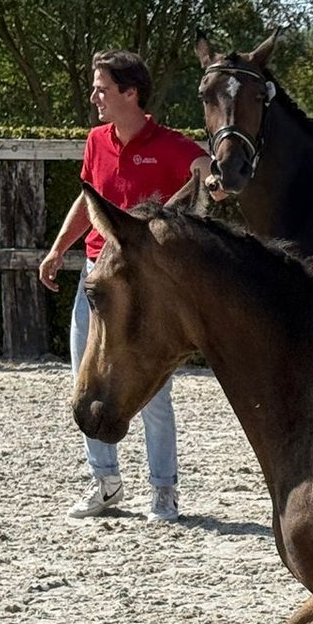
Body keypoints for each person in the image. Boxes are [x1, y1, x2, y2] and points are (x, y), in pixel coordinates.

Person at [40, 49, 207, 522]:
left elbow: (207, 172)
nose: (94, 97)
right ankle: (105, 482)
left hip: (145, 286)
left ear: (130, 93)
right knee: (86, 379)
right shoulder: (96, 141)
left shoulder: (170, 144)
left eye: (102, 89)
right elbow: (87, 197)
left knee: (152, 387)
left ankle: (163, 490)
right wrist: (57, 249)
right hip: (97, 274)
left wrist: (206, 176)